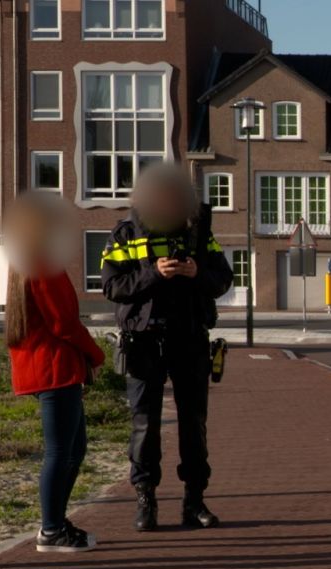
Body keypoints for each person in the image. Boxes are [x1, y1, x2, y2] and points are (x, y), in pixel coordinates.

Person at [102, 164, 233, 532]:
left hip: (189, 338)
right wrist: (153, 273)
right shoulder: (127, 233)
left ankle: (194, 501)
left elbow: (223, 279)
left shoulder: (198, 232)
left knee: (194, 423)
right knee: (145, 424)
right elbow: (112, 286)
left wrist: (197, 275)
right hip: (143, 341)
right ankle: (146, 500)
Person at [3, 193, 105, 552]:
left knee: (73, 449)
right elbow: (63, 322)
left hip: (49, 367)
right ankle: (51, 528)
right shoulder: (42, 263)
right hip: (55, 368)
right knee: (62, 452)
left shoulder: (26, 262)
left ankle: (56, 521)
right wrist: (95, 354)